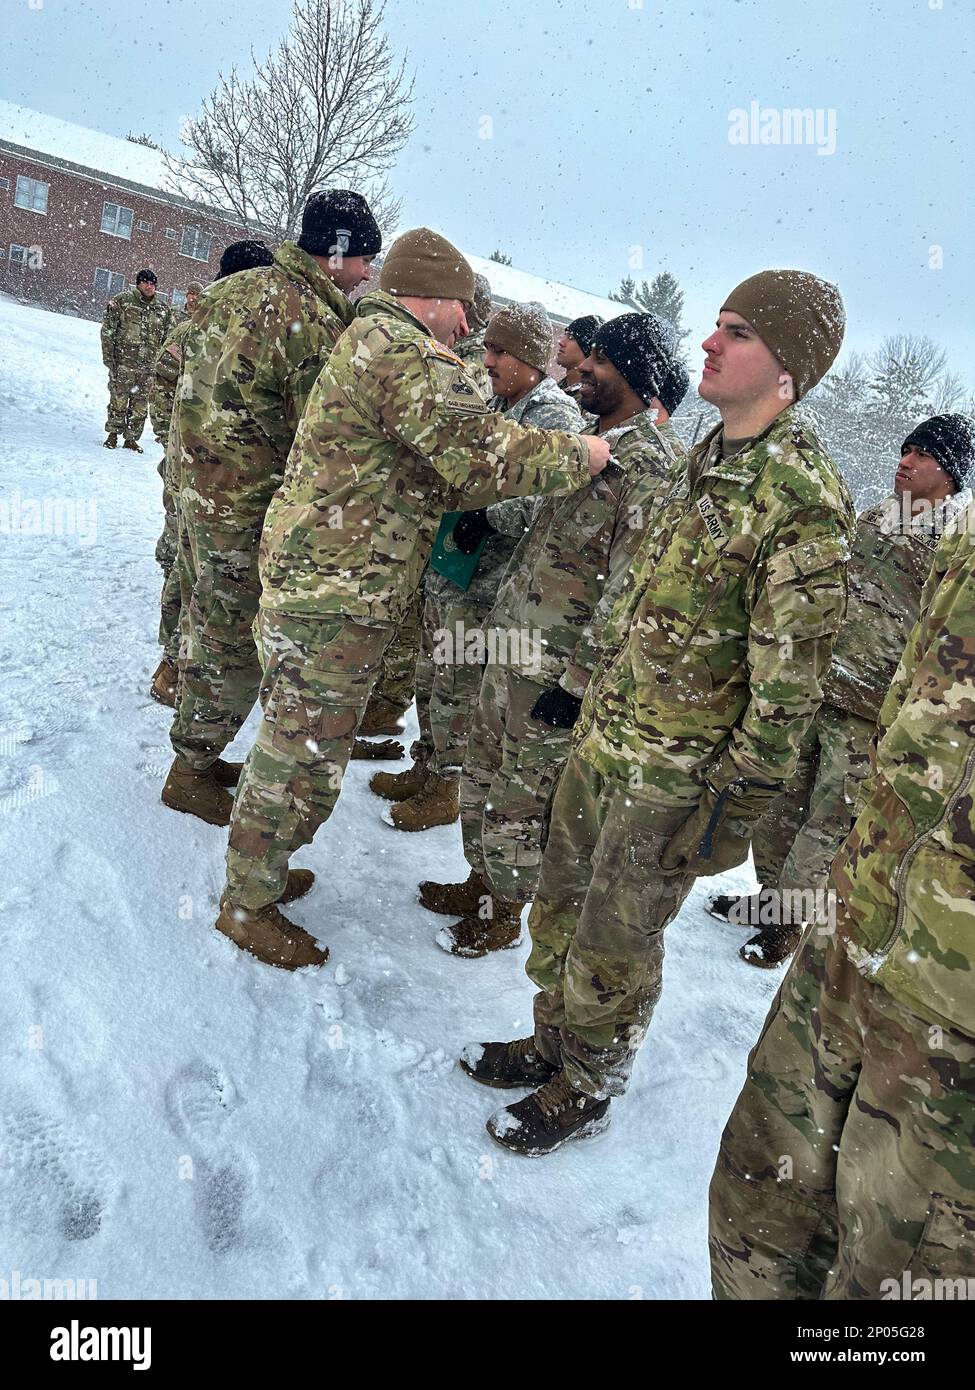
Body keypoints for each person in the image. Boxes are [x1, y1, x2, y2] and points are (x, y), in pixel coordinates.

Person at [462, 269, 854, 1157]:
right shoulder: (705, 462)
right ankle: (553, 1041)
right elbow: (633, 596)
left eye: (737, 331)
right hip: (605, 740)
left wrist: (727, 810)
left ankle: (590, 1083)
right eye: (715, 324)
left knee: (615, 939)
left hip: (672, 779)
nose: (709, 343)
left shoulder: (801, 502)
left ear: (787, 368)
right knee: (559, 909)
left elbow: (787, 692)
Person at [213, 227, 611, 970]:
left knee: (302, 740)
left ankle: (261, 872)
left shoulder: (370, 341)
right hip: (336, 591)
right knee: (299, 750)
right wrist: (583, 454)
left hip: (327, 580)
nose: (467, 328)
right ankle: (248, 899)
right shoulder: (401, 353)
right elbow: (481, 455)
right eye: (462, 307)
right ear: (428, 294)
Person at [709, 487, 975, 1299]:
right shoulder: (919, 527)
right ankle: (782, 910)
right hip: (862, 921)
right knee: (758, 1206)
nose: (907, 463)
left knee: (890, 1273)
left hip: (950, 1011)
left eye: (928, 453)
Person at [420, 313, 687, 957]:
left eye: (596, 358)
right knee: (482, 776)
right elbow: (540, 507)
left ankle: (503, 912)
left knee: (520, 798)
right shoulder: (589, 444)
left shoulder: (650, 469)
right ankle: (478, 883)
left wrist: (577, 686)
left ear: (632, 372)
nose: (581, 367)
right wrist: (486, 518)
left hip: (553, 672)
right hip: (507, 642)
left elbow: (630, 593)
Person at [710, 413, 975, 966]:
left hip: (873, 708)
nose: (905, 461)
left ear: (950, 472)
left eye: (921, 454)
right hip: (820, 685)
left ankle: (791, 922)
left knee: (829, 821)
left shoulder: (955, 540)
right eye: (905, 449)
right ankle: (771, 900)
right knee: (781, 805)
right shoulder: (877, 516)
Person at [160, 194, 381, 824]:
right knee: (229, 640)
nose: (367, 272)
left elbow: (182, 379)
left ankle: (197, 752)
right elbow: (319, 434)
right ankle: (190, 768)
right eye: (363, 257)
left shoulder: (236, 290)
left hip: (199, 496)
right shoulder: (311, 321)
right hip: (246, 509)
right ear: (335, 251)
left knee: (209, 622)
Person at [373, 300, 583, 834]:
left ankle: (448, 788)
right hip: (453, 572)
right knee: (430, 677)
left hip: (489, 587)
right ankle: (429, 766)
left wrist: (488, 516)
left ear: (529, 359)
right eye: (486, 348)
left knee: (459, 688)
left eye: (498, 351)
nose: (486, 360)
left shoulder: (552, 413)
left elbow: (548, 496)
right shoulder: (497, 404)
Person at [352, 274, 496, 754]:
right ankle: (388, 702)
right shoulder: (433, 352)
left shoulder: (462, 362)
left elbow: (469, 446)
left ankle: (391, 703)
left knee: (419, 622)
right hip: (433, 513)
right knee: (415, 619)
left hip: (447, 518)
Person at [147, 247, 275, 707]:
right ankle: (173, 663)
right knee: (189, 573)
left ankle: (175, 663)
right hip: (199, 478)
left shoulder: (207, 328)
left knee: (186, 570)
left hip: (195, 475)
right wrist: (177, 444)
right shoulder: (215, 331)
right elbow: (163, 391)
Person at [100, 268, 172, 451]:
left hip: (148, 367)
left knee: (140, 405)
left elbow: (168, 339)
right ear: (138, 283)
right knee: (119, 399)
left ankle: (131, 438)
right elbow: (108, 330)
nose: (150, 287)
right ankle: (113, 434)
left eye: (153, 284)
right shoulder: (123, 301)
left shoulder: (162, 309)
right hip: (124, 362)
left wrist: (163, 364)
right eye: (147, 283)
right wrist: (109, 357)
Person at [556, 315, 603, 402]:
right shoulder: (557, 388)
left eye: (571, 338)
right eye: (565, 335)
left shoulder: (590, 400)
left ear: (588, 350)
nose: (561, 342)